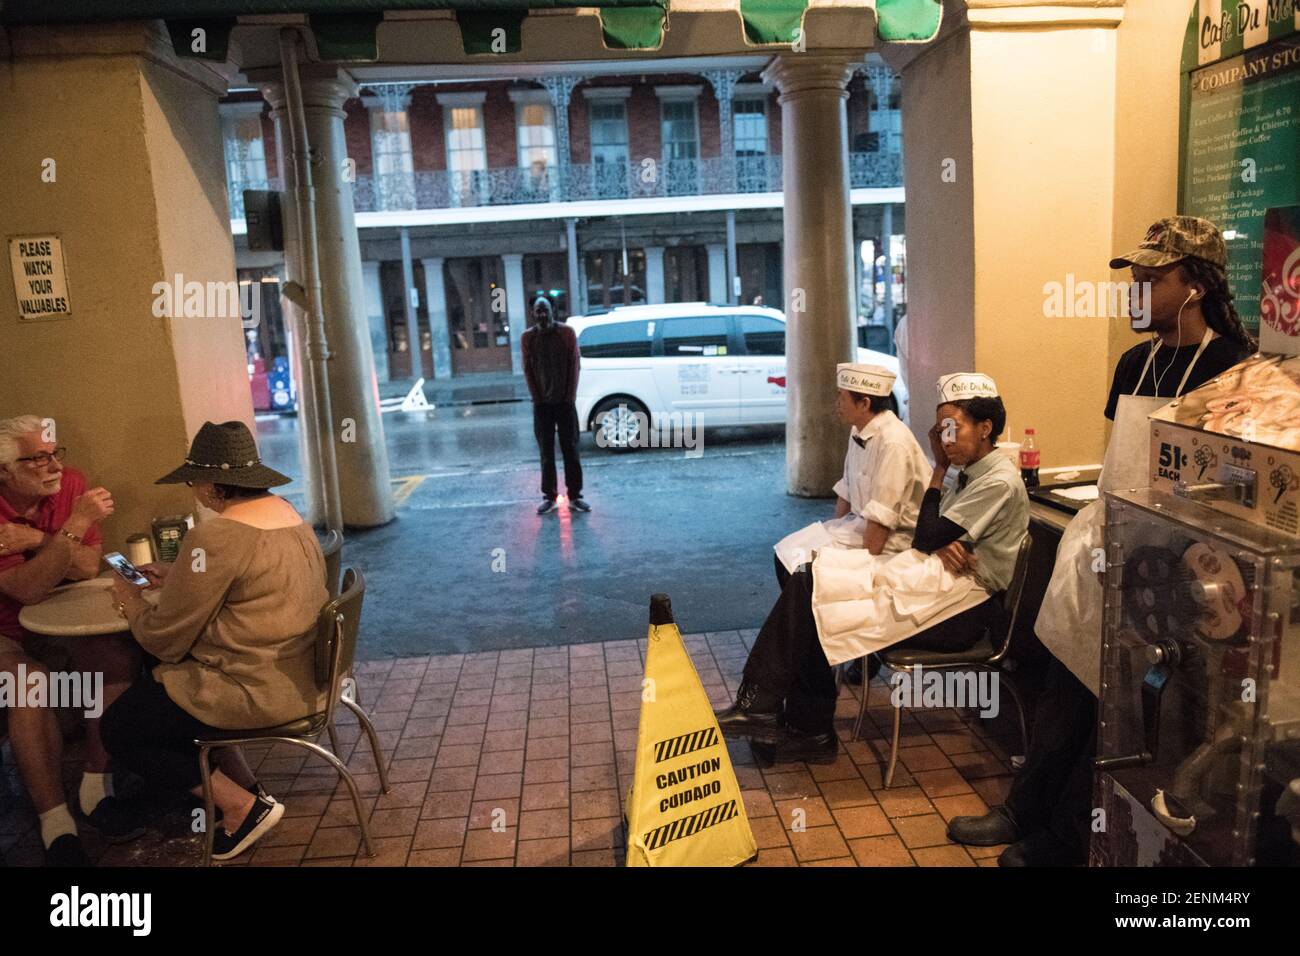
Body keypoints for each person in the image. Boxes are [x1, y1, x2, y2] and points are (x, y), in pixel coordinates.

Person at [947, 216, 1255, 866]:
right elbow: (1120, 459)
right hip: (1112, 551)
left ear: (1196, 285)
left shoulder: (1235, 371)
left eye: (1151, 280)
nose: (1135, 293)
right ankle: (1023, 810)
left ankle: (1062, 840)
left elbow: (1235, 489)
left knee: (1119, 708)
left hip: (1180, 572)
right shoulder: (1134, 362)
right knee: (1066, 682)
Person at [716, 374, 1029, 765]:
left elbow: (927, 533)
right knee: (809, 583)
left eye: (953, 428)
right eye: (940, 429)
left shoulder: (997, 478)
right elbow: (929, 534)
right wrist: (942, 536)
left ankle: (788, 718)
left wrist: (937, 479)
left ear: (986, 428)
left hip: (968, 610)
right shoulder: (970, 471)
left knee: (816, 594)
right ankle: (780, 715)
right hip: (938, 579)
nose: (945, 439)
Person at [101, 420, 329, 862]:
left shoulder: (219, 534)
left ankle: (240, 808)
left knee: (121, 727)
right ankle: (247, 787)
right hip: (299, 674)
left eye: (193, 481)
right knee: (161, 693)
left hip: (256, 690)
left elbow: (163, 638)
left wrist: (130, 602)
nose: (194, 491)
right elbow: (251, 585)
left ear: (211, 486)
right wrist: (179, 576)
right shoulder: (286, 513)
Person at [0, 415, 140, 866]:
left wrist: (39, 538)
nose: (52, 466)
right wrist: (76, 524)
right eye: (36, 458)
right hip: (5, 632)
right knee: (29, 683)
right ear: (4, 471)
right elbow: (25, 589)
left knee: (112, 657)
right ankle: (55, 821)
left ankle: (96, 786)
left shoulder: (72, 484)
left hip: (58, 619)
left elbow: (84, 567)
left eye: (54, 453)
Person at [773, 363, 929, 590]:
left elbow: (881, 518)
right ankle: (801, 622)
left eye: (842, 397)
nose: (837, 404)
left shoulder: (893, 442)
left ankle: (810, 621)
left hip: (893, 542)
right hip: (856, 527)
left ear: (864, 403)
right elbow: (846, 489)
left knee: (804, 570)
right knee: (785, 554)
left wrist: (861, 570)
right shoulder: (859, 429)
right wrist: (830, 530)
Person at [521, 296, 590, 515]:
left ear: (553, 311)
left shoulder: (566, 333)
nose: (542, 314)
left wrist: (569, 397)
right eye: (538, 310)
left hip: (565, 403)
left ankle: (575, 496)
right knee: (546, 453)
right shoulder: (527, 338)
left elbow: (574, 364)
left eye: (545, 309)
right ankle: (549, 496)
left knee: (571, 450)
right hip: (542, 405)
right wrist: (537, 398)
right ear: (533, 313)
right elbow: (527, 370)